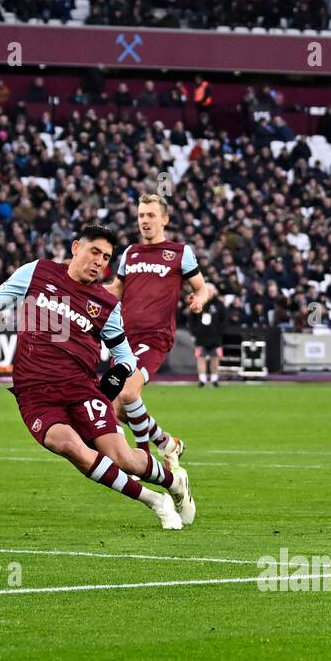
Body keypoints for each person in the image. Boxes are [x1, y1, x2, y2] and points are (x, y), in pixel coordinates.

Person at [0, 224, 194, 530]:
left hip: (81, 389)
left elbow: (125, 356)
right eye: (94, 252)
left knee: (122, 458)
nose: (99, 261)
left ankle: (175, 483)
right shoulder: (37, 272)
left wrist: (118, 373)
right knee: (67, 445)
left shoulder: (106, 304)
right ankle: (155, 501)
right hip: (35, 392)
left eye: (106, 258)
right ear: (76, 247)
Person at [103, 193, 213, 468]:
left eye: (151, 215)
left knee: (128, 394)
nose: (145, 220)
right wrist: (85, 292)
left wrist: (199, 299)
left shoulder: (179, 252)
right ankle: (167, 443)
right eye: (141, 215)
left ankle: (143, 460)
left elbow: (202, 287)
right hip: (124, 338)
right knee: (117, 409)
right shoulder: (130, 252)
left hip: (154, 336)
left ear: (164, 219)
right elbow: (116, 289)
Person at [189, 290, 226, 387]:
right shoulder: (198, 303)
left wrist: (219, 332)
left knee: (215, 358)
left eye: (210, 290)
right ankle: (202, 380)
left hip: (215, 337)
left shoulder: (219, 305)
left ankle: (214, 379)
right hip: (201, 337)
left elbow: (224, 319)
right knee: (201, 358)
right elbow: (191, 319)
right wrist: (195, 331)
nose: (208, 293)